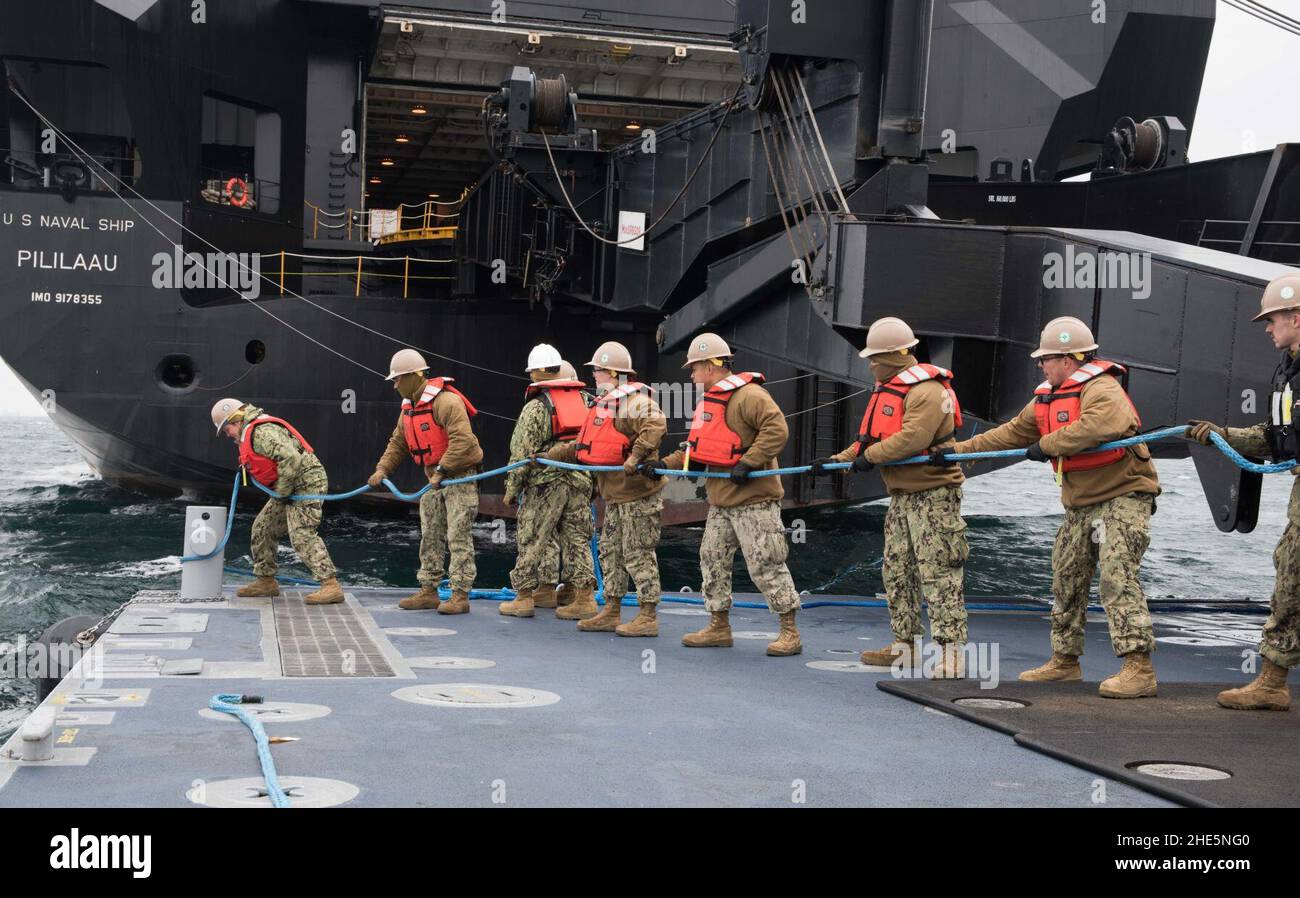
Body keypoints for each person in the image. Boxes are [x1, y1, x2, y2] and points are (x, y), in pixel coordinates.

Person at [944, 316, 1161, 698]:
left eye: (1047, 358)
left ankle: (1138, 667)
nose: (1041, 365)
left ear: (1069, 358)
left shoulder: (1101, 388)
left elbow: (1099, 426)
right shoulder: (1047, 397)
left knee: (1116, 576)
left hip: (1122, 496)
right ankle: (1065, 662)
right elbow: (1011, 433)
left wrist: (1045, 446)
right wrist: (958, 452)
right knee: (1066, 576)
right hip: (1081, 504)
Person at [811, 317, 968, 677]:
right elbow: (868, 442)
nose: (870, 364)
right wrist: (837, 462)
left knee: (939, 572)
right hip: (901, 497)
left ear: (896, 355)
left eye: (875, 357)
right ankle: (905, 645)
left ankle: (951, 652)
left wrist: (870, 459)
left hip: (933, 495)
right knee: (897, 570)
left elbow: (912, 438)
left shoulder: (927, 391)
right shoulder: (890, 389)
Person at [1188, 273, 1300, 711]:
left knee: (1292, 574)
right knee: (1290, 571)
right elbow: (1276, 436)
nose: (1268, 328)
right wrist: (1223, 435)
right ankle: (1272, 682)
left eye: (1272, 319)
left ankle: (1272, 681)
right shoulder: (1288, 371)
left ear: (1296, 316)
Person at [659, 333, 802, 656]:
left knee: (766, 563)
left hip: (754, 501)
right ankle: (718, 625)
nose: (692, 375)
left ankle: (789, 632)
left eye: (695, 368)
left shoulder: (751, 396)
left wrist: (749, 462)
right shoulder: (712, 401)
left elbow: (776, 429)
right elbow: (695, 450)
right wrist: (660, 464)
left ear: (711, 366)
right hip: (721, 501)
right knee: (711, 559)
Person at [545, 341, 667, 636]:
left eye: (598, 370)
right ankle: (611, 610)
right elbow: (587, 445)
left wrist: (637, 456)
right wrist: (552, 455)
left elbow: (656, 423)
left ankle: (647, 616)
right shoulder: (607, 403)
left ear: (612, 372)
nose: (594, 375)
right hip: (616, 497)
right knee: (610, 552)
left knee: (639, 554)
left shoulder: (634, 402)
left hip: (637, 497)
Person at [367, 349, 483, 614]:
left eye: (397, 380)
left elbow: (462, 441)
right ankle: (428, 590)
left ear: (413, 376)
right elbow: (398, 442)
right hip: (433, 479)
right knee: (430, 534)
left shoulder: (447, 402)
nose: (395, 385)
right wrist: (382, 469)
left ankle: (459, 594)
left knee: (458, 535)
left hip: (460, 478)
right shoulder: (408, 410)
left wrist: (443, 470)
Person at [210, 397, 343, 605]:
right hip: (289, 486)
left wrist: (282, 491)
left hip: (306, 483)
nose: (228, 435)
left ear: (236, 421)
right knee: (262, 528)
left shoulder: (262, 432)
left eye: (227, 430)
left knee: (301, 534)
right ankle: (266, 581)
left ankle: (330, 585)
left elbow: (291, 457)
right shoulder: (250, 433)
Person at [499, 344, 596, 619]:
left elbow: (520, 453)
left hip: (545, 485)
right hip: (579, 480)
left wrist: (511, 489)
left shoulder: (535, 407)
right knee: (577, 539)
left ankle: (524, 597)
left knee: (532, 538)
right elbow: (594, 443)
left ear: (539, 372)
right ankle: (585, 597)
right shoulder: (587, 401)